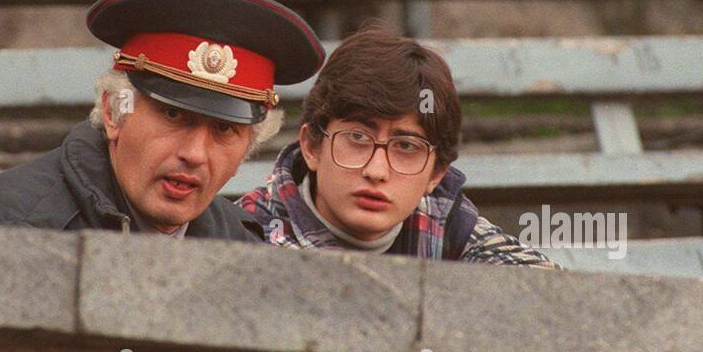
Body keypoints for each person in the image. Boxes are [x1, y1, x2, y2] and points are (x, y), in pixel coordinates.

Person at [0, 0, 324, 240]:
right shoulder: (8, 228)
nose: (193, 154)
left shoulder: (241, 248)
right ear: (113, 113)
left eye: (225, 130)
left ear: (248, 149)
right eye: (173, 116)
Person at [237, 22, 559, 266]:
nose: (376, 171)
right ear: (311, 147)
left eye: (406, 147)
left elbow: (550, 300)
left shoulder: (451, 228)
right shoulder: (242, 236)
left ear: (436, 175)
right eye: (357, 138)